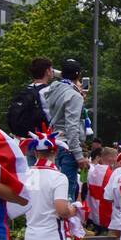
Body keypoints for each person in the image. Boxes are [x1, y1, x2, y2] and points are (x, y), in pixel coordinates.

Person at [40, 59, 87, 200]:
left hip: (54, 144)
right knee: (66, 195)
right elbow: (71, 126)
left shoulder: (53, 89)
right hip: (68, 147)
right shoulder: (74, 95)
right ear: (78, 76)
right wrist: (79, 155)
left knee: (52, 193)